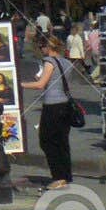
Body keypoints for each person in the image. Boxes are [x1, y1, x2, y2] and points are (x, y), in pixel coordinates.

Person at [23, 32, 79, 190]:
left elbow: (41, 84)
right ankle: (66, 176)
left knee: (47, 140)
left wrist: (21, 84)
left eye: (42, 47)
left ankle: (58, 177)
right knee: (62, 141)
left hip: (52, 105)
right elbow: (59, 82)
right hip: (65, 104)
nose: (41, 50)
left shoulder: (49, 61)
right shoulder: (66, 62)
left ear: (48, 47)